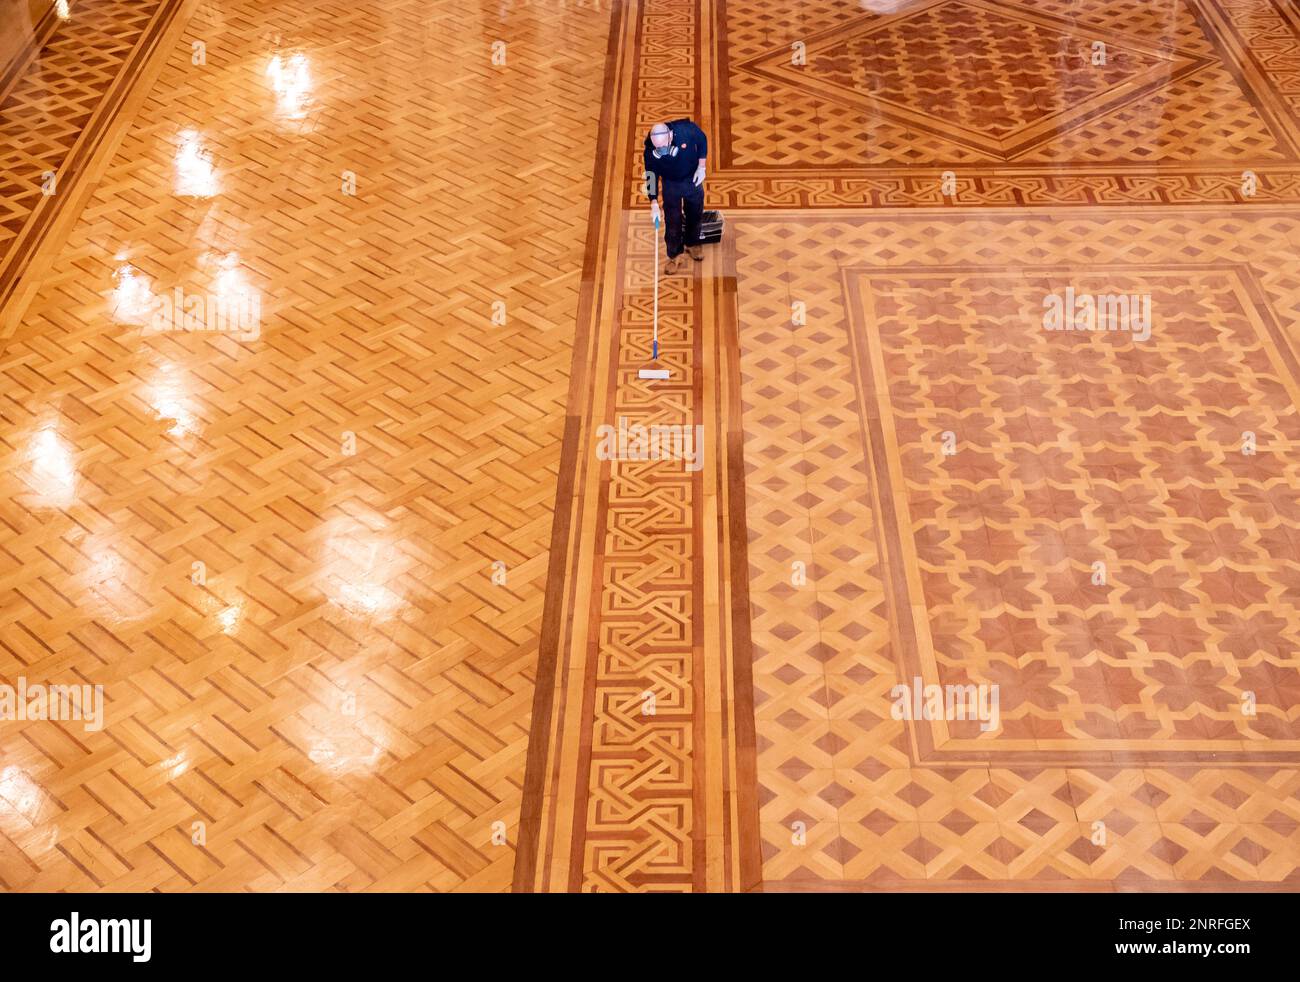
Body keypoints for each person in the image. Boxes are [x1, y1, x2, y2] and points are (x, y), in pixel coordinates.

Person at [643, 119, 707, 274]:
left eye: (664, 146)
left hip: (693, 178)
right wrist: (653, 203)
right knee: (673, 221)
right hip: (670, 184)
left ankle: (692, 243)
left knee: (695, 213)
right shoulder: (651, 151)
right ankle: (674, 255)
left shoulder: (687, 130)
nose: (661, 150)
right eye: (658, 147)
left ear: (670, 135)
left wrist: (701, 167)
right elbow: (651, 175)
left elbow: (702, 140)